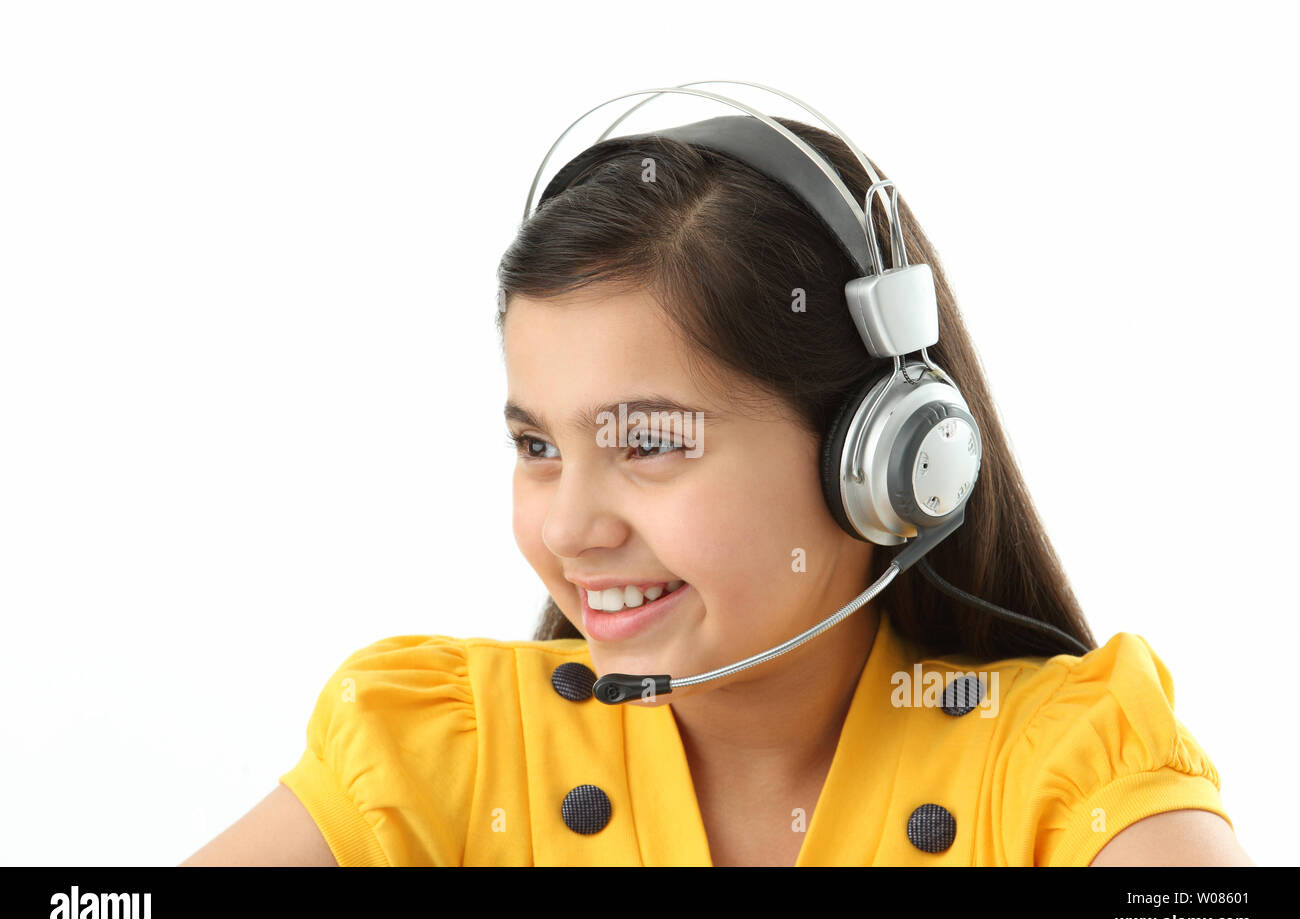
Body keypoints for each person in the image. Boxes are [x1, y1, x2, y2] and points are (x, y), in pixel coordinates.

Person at [181, 114, 1252, 867]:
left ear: (880, 460)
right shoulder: (442, 752)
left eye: (647, 442)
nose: (567, 526)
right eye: (536, 445)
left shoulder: (1063, 767)